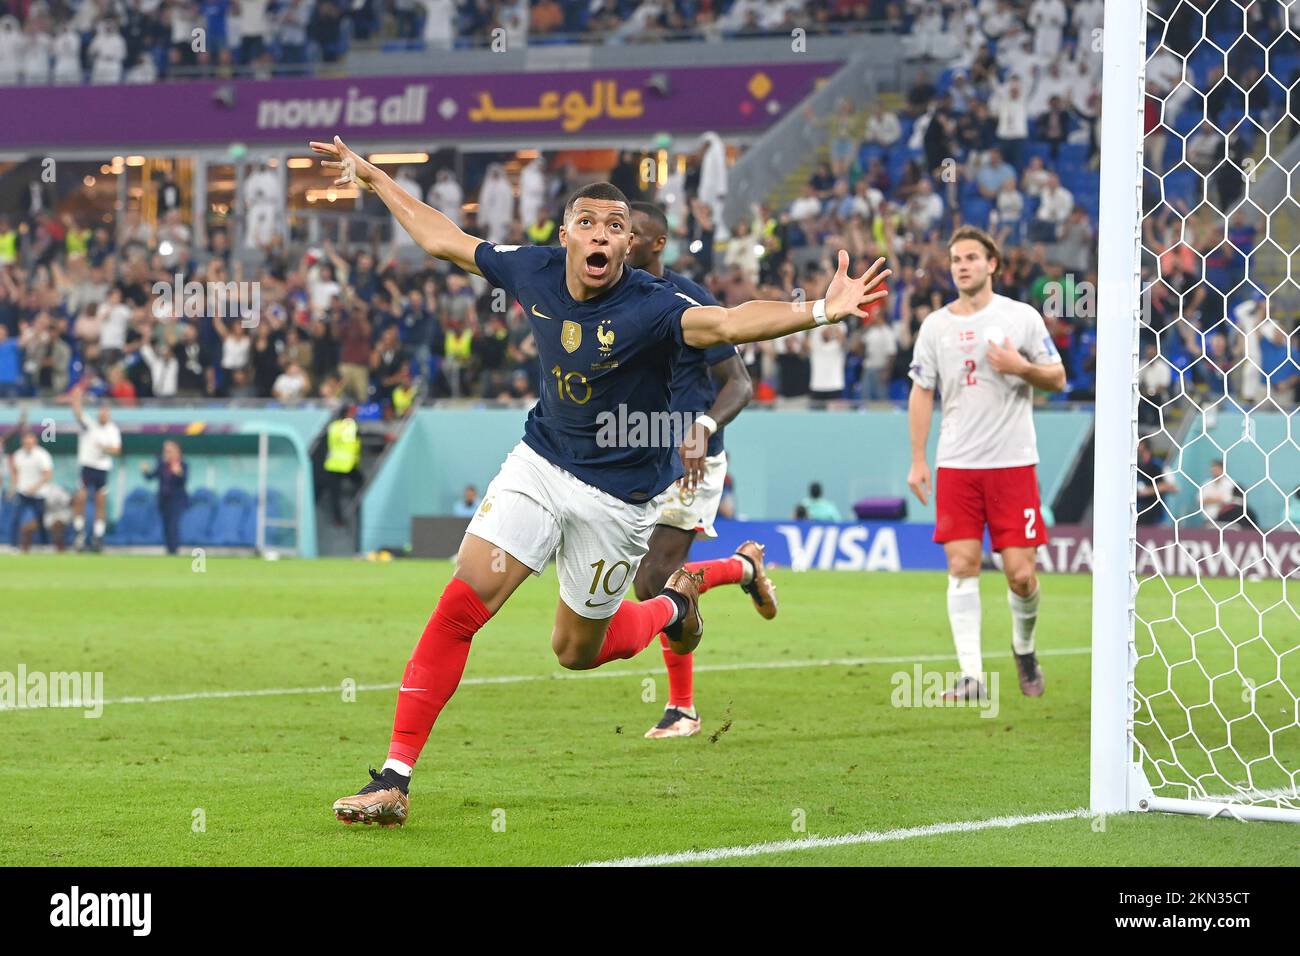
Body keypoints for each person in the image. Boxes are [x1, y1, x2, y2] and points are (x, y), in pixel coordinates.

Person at [310, 134, 891, 827]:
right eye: (588, 222)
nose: (601, 235)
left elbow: (733, 321)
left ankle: (674, 610)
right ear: (565, 236)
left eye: (615, 227)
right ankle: (393, 779)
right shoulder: (533, 271)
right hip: (539, 463)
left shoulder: (655, 304)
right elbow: (445, 240)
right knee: (461, 603)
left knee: (574, 651)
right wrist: (377, 180)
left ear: (627, 246)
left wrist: (819, 309)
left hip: (616, 500)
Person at [626, 201, 771, 741]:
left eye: (629, 233)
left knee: (653, 586)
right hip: (636, 456)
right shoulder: (609, 298)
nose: (618, 241)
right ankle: (744, 569)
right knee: (649, 585)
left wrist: (704, 426)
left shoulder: (690, 301)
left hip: (692, 458)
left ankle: (682, 708)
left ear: (656, 243)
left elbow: (740, 384)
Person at [906, 225, 1066, 702]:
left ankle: (1024, 647)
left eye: (972, 257)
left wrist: (1022, 368)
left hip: (1013, 463)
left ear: (992, 264)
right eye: (956, 258)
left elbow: (1057, 376)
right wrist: (918, 459)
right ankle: (972, 677)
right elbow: (921, 392)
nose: (962, 265)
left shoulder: (1021, 318)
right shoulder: (935, 326)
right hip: (957, 464)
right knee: (962, 563)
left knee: (1021, 574)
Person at [70, 389, 122, 553]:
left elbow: (117, 449)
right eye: (101, 412)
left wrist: (104, 449)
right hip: (87, 466)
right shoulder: (90, 425)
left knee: (100, 501)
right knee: (81, 498)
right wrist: (77, 398)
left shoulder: (113, 430)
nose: (103, 415)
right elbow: (78, 414)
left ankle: (98, 536)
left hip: (102, 468)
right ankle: (79, 533)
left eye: (106, 412)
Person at [141, 440, 189, 555]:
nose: (166, 453)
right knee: (166, 524)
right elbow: (151, 477)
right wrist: (145, 471)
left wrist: (179, 473)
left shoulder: (182, 465)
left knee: (173, 524)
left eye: (169, 451)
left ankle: (174, 549)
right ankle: (168, 549)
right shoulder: (162, 465)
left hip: (177, 500)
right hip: (163, 499)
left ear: (177, 451)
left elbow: (183, 481)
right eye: (165, 451)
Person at [10, 430, 53, 551]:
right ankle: (14, 546)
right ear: (22, 442)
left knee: (40, 520)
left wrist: (34, 487)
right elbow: (15, 473)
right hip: (22, 492)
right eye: (25, 442)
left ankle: (45, 545)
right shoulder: (18, 455)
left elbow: (47, 475)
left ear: (35, 441)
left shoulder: (42, 455)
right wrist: (12, 488)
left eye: (30, 442)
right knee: (15, 518)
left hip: (38, 494)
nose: (28, 444)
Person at [322, 406, 363, 527]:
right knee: (362, 483)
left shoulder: (333, 426)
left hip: (333, 464)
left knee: (335, 495)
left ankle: (338, 520)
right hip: (347, 465)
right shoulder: (350, 425)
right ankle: (358, 507)